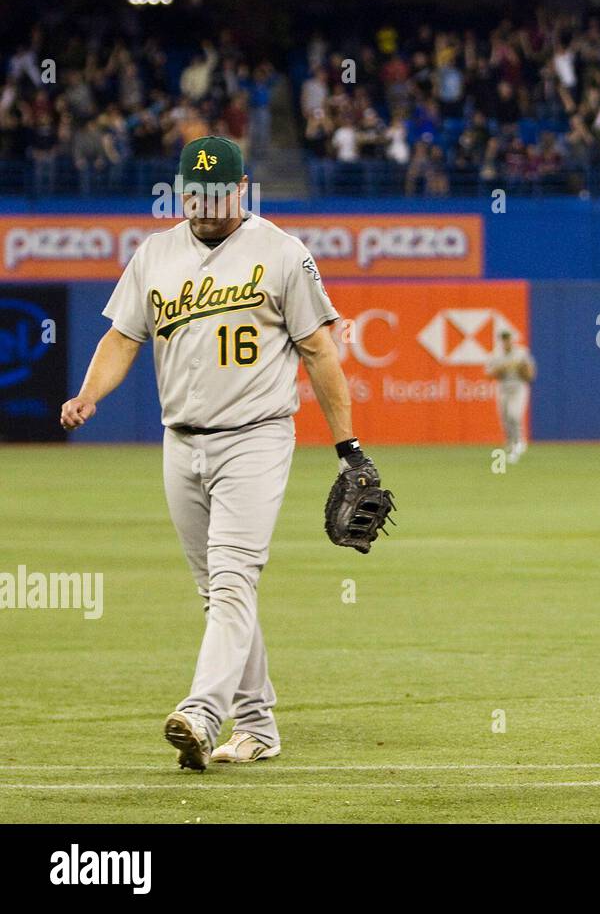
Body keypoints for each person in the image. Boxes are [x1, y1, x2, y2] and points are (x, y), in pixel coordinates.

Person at [59, 136, 391, 770]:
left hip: (256, 436)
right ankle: (259, 726)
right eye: (195, 190)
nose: (205, 201)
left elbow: (320, 352)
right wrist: (88, 394)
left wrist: (348, 447)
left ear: (241, 190)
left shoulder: (283, 253)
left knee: (234, 579)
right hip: (180, 442)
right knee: (217, 591)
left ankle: (203, 712)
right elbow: (123, 337)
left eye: (217, 190)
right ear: (181, 190)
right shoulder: (155, 254)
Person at [485, 329, 536, 463]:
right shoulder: (496, 355)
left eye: (508, 338)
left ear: (512, 340)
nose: (506, 341)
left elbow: (530, 374)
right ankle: (510, 442)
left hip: (518, 387)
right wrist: (503, 368)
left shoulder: (521, 353)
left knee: (514, 414)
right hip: (503, 388)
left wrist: (522, 368)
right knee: (505, 417)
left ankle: (519, 442)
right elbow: (489, 374)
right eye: (504, 339)